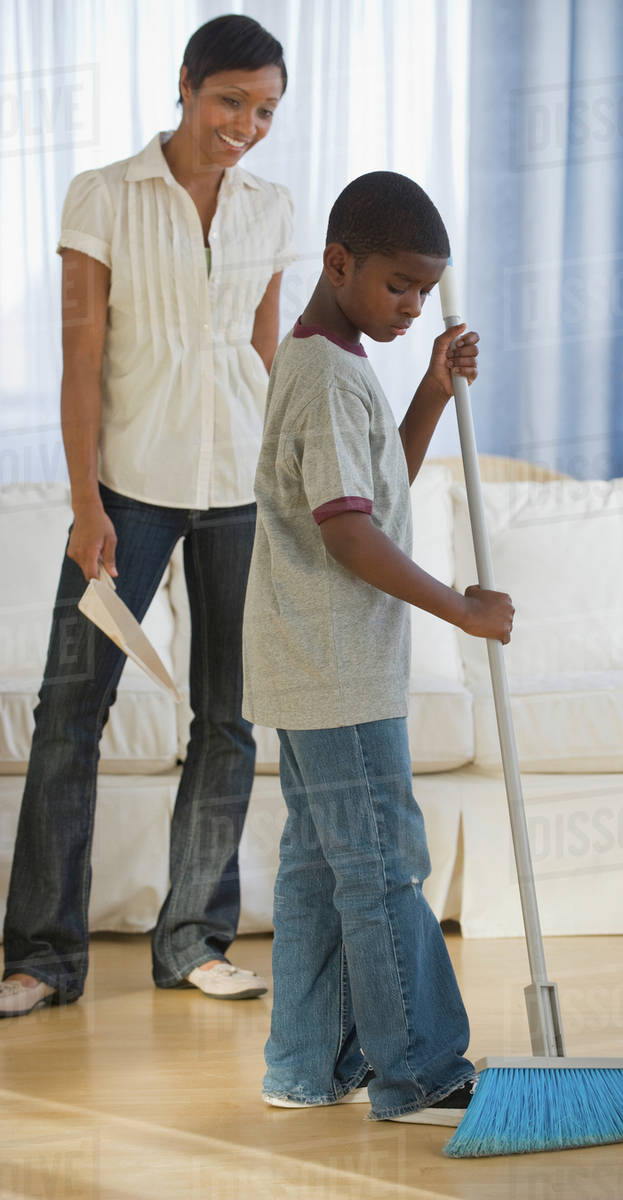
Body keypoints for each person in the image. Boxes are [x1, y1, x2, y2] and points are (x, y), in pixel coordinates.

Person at [0, 14, 296, 1018]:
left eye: (263, 111)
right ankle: (42, 956)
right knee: (68, 716)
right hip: (127, 492)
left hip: (239, 497)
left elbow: (262, 354)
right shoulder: (104, 195)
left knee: (226, 719)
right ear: (185, 85)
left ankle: (194, 941)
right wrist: (86, 504)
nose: (244, 127)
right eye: (229, 103)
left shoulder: (270, 207)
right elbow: (80, 358)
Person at [242, 171, 514, 1125]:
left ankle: (305, 1066)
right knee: (385, 865)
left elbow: (374, 489)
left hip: (312, 666)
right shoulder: (322, 375)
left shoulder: (326, 361)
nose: (412, 307)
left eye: (426, 292)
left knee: (320, 867)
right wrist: (461, 610)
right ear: (338, 261)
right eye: (399, 285)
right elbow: (349, 534)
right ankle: (422, 1071)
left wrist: (432, 392)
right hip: (339, 671)